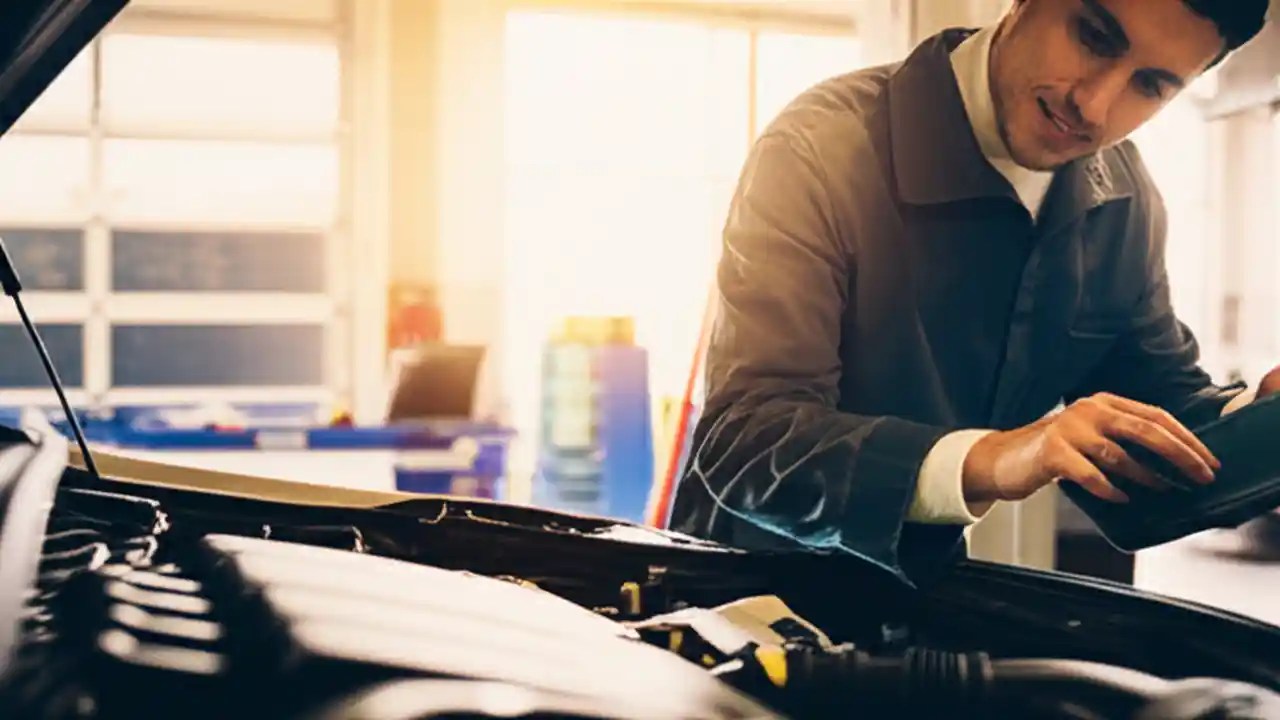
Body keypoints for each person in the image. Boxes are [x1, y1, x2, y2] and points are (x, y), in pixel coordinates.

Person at [668, 0, 1274, 584]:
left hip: (922, 609)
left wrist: (1259, 423)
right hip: (737, 602)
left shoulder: (1124, 198)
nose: (1093, 104)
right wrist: (1006, 456)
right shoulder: (821, 146)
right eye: (1093, 36)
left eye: (1151, 86)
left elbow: (1162, 413)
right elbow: (745, 442)